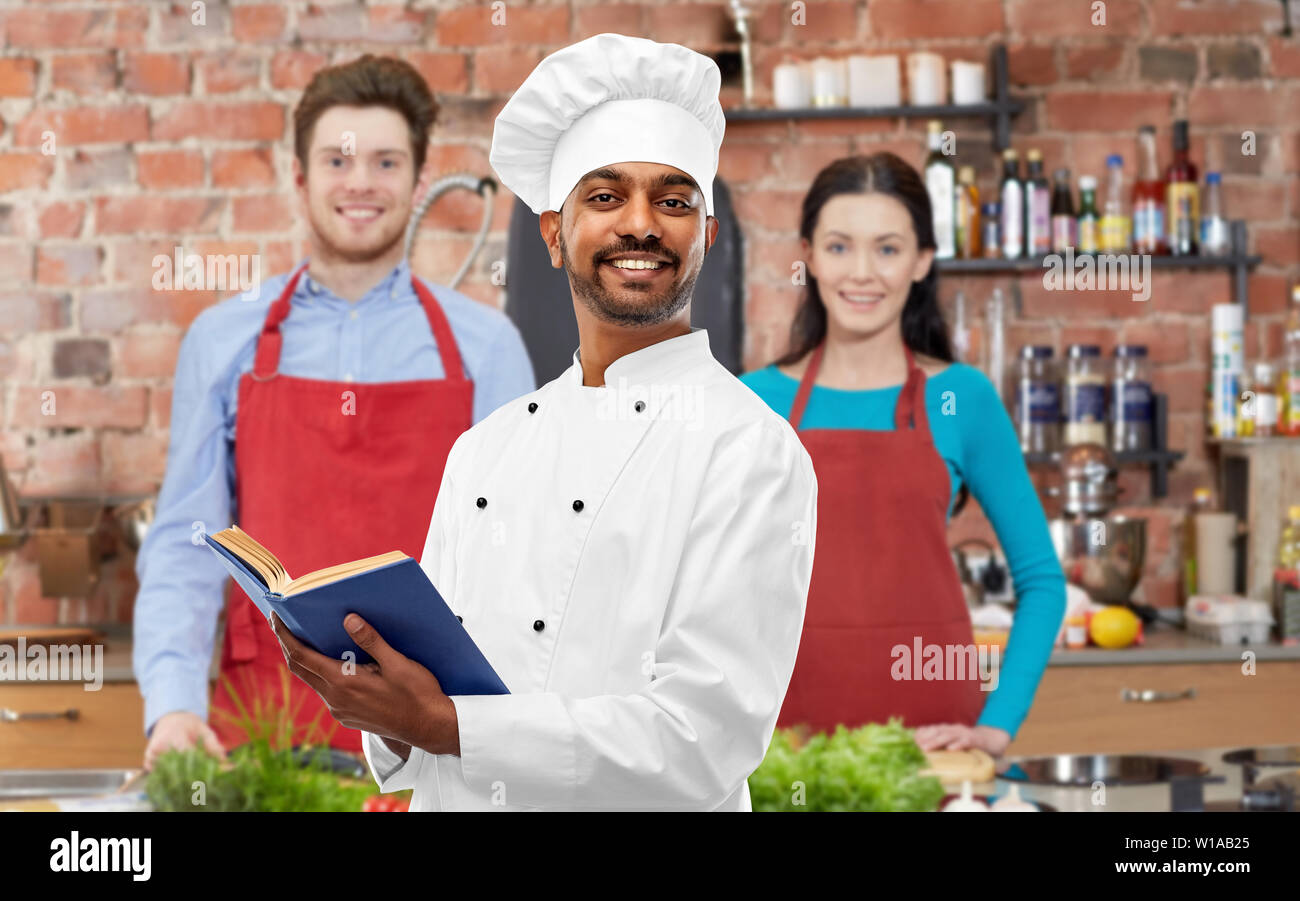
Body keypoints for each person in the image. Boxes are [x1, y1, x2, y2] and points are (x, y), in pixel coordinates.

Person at [271, 33, 818, 811]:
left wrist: (450, 725)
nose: (640, 225)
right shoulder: (486, 451)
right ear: (555, 234)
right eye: (604, 197)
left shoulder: (751, 450)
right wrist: (387, 714)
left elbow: (704, 740)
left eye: (673, 200)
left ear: (707, 237)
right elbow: (426, 730)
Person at [134, 55, 535, 768]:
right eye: (337, 160)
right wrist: (171, 704)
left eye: (386, 162)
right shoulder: (223, 342)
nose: (360, 182)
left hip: (433, 745)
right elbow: (185, 543)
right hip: (261, 737)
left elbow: (519, 559)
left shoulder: (487, 348)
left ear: (416, 183)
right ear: (300, 177)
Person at [740, 152, 1065, 757]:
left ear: (921, 262)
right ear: (807, 255)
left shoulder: (962, 399)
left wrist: (996, 728)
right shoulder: (752, 402)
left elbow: (1042, 581)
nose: (862, 272)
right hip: (790, 740)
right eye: (839, 247)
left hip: (936, 738)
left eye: (887, 249)